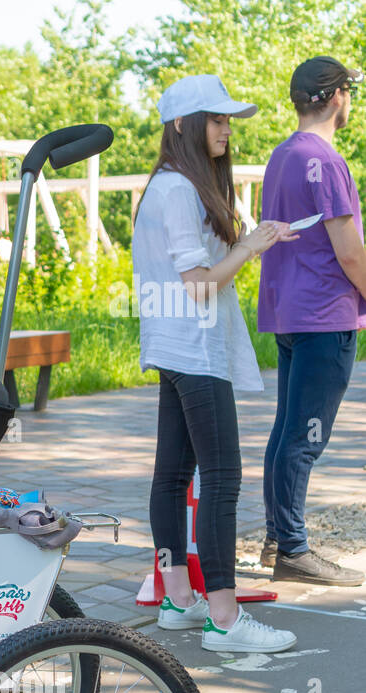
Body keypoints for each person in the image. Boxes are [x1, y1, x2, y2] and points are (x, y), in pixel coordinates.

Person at [132, 74, 298, 652]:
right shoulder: (178, 189)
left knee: (173, 477)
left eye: (229, 120)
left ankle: (180, 599)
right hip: (194, 347)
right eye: (216, 119)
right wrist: (249, 248)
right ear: (182, 125)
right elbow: (199, 285)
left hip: (177, 345)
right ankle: (225, 620)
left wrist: (245, 242)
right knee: (222, 477)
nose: (227, 129)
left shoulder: (168, 186)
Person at [256, 56, 366, 587]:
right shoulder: (327, 161)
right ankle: (294, 549)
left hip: (291, 313)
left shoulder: (281, 157)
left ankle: (278, 538)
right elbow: (350, 253)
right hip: (325, 314)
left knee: (286, 430)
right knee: (306, 435)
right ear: (337, 95)